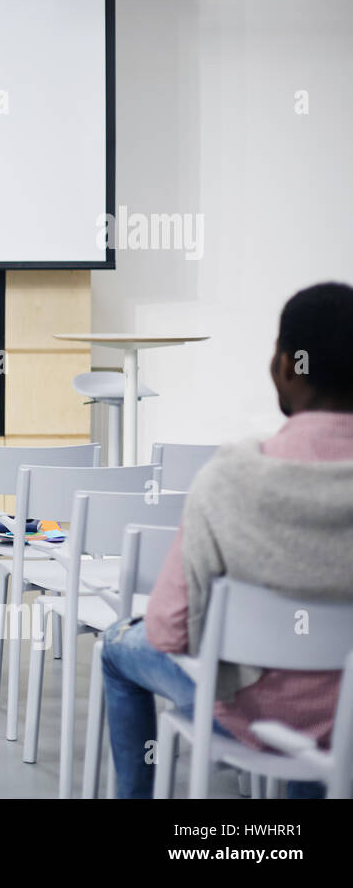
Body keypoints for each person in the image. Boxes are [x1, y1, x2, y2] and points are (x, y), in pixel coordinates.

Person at [102, 281, 353, 797]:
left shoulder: (230, 479)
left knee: (115, 646)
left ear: (285, 367)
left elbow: (170, 630)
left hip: (254, 719)